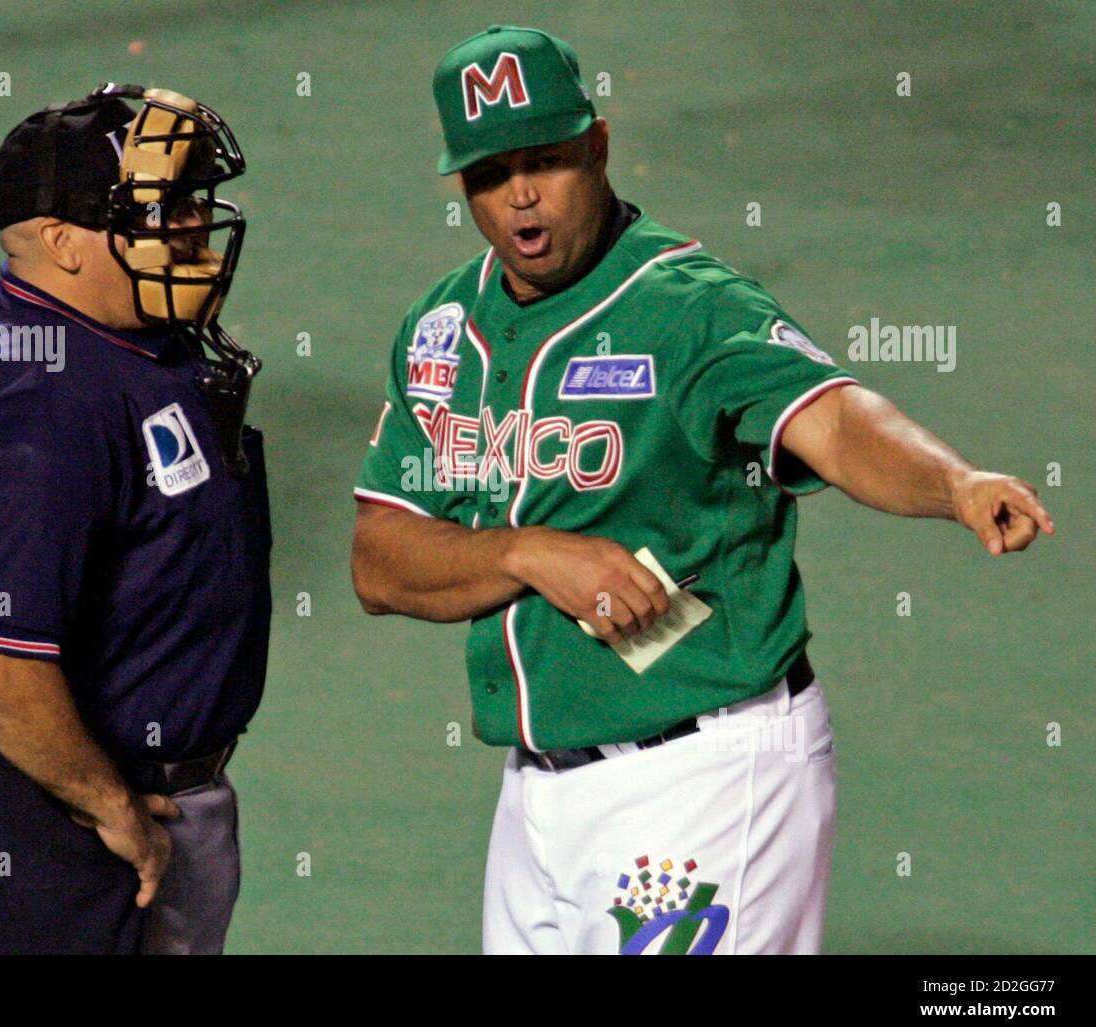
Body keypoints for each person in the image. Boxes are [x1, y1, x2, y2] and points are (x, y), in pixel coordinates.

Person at [350, 26, 1054, 954]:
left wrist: (954, 482)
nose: (520, 195)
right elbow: (381, 562)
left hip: (705, 778)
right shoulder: (441, 326)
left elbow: (834, 419)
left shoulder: (688, 306)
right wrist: (527, 553)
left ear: (596, 149)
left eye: (547, 161)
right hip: (534, 801)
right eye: (488, 173)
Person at [0, 83, 271, 954]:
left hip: (109, 801)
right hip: (55, 816)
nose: (193, 224)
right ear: (61, 242)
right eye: (159, 208)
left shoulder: (107, 336)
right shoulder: (44, 406)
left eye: (194, 201)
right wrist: (112, 808)